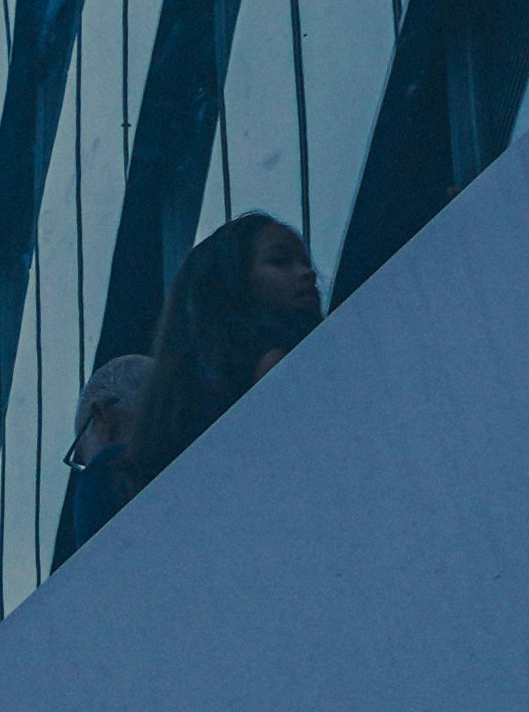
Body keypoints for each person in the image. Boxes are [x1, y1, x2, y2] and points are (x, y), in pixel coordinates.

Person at [52, 214, 325, 565]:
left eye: (303, 260)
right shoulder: (292, 374)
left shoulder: (128, 475)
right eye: (280, 261)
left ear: (101, 415)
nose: (308, 273)